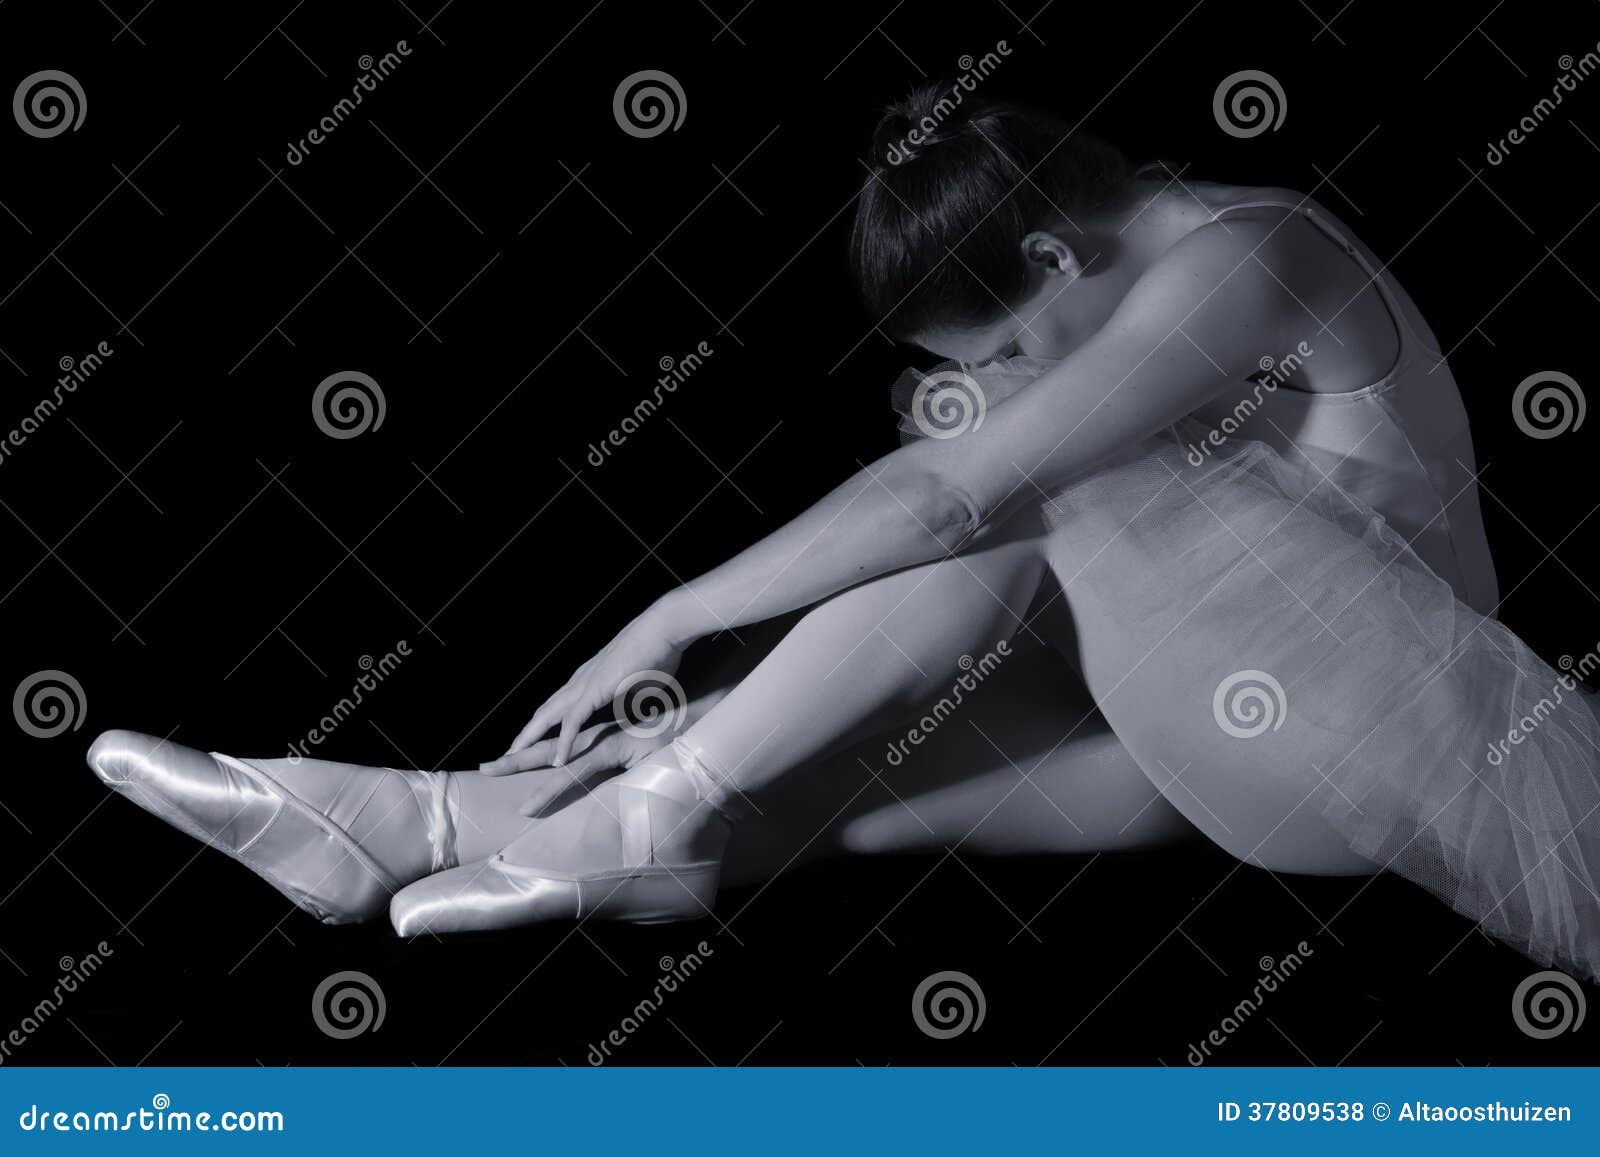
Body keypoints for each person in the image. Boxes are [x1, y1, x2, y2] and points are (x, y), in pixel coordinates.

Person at [87, 85, 1599, 979]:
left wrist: (658, 620)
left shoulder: (1254, 253)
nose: (995, 384)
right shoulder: (1113, 279)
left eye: (998, 346)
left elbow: (956, 499)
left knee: (1018, 481)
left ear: (1060, 248)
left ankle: (652, 801)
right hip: (1188, 739)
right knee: (840, 779)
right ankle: (407, 825)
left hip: (1369, 737)